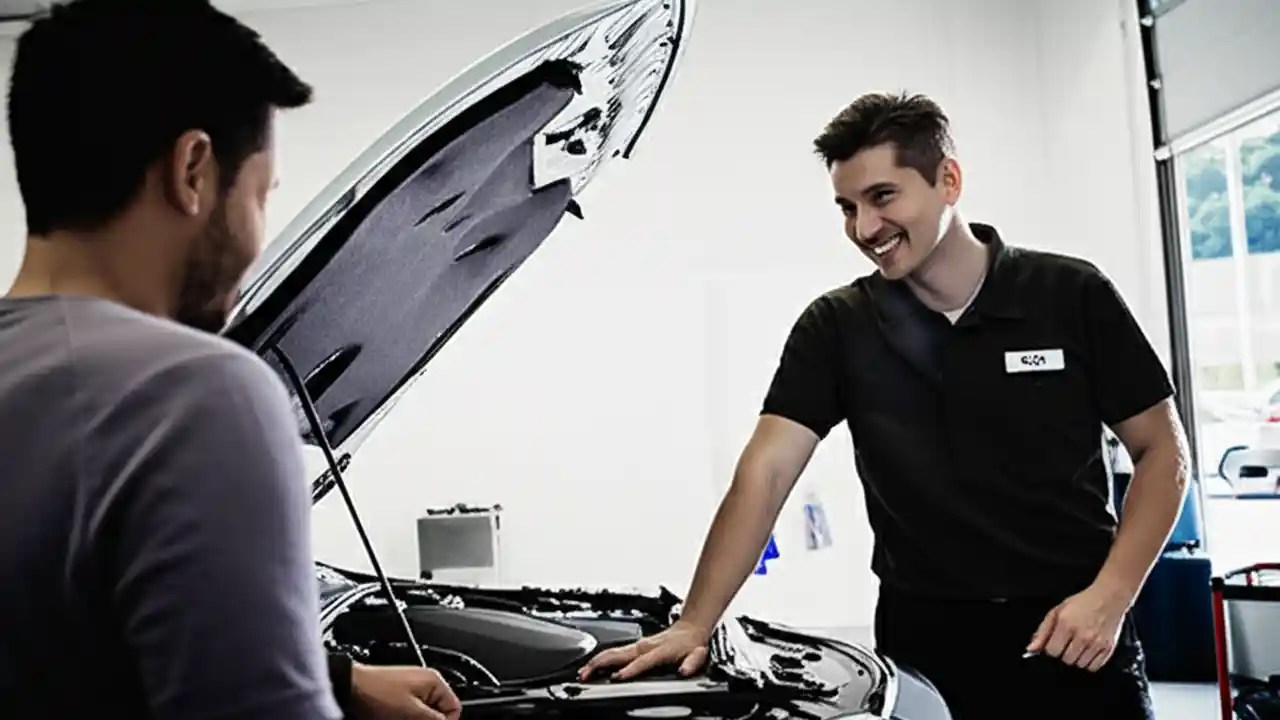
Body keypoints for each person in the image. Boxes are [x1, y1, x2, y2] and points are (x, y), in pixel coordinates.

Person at [579, 92, 1190, 719]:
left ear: (947, 180)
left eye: (883, 197)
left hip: (1076, 635)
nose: (863, 229)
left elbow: (1162, 450)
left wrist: (1112, 595)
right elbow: (765, 474)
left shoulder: (1069, 293)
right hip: (926, 648)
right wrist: (694, 622)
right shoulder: (837, 327)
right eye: (847, 207)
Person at [0, 2, 459, 719]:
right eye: (260, 195)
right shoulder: (193, 395)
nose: (255, 236)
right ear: (193, 170)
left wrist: (338, 680)